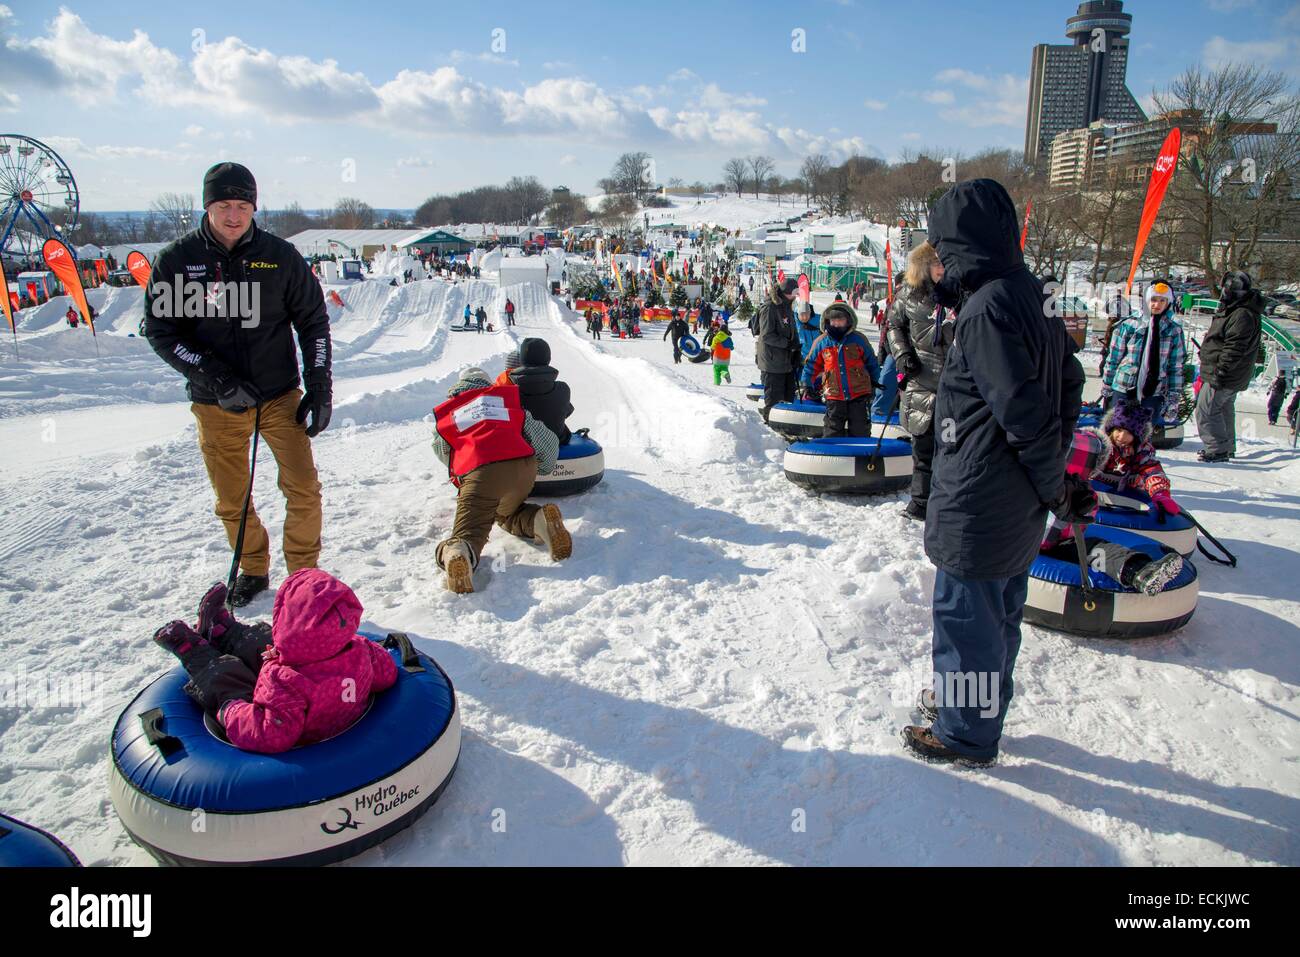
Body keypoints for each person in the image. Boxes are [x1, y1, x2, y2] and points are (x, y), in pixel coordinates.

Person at [902, 179, 1087, 766]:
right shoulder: (1030, 293)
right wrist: (1052, 476)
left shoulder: (985, 310)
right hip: (1012, 502)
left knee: (968, 626)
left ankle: (964, 734)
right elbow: (1069, 383)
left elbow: (1023, 413)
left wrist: (1054, 482)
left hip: (982, 498)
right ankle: (977, 712)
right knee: (998, 616)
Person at [145, 161, 331, 607]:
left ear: (254, 207)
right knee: (233, 499)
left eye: (243, 205)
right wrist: (217, 377)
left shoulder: (280, 256)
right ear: (207, 205)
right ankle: (252, 567)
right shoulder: (177, 260)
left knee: (303, 488)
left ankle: (304, 574)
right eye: (224, 205)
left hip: (279, 393)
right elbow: (161, 332)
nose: (234, 215)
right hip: (216, 402)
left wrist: (320, 384)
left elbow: (313, 322)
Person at [151, 569, 397, 754]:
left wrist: (231, 710)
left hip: (296, 730)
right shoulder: (362, 651)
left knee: (229, 681)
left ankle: (194, 651)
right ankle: (223, 631)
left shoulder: (284, 681)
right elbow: (387, 674)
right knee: (267, 644)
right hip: (314, 688)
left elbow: (269, 733)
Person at [431, 367, 571, 594]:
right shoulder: (505, 403)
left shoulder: (453, 411)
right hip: (523, 468)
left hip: (482, 471)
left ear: (459, 387)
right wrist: (543, 467)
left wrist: (464, 475)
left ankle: (458, 552)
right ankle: (540, 520)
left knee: (471, 530)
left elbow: (442, 450)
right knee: (507, 512)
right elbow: (546, 440)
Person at [1039, 428, 1184, 596]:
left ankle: (1142, 570)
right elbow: (1087, 517)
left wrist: (1160, 492)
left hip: (1044, 542)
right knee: (1095, 551)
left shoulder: (1039, 481)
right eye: (1119, 430)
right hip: (1045, 544)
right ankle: (1138, 570)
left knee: (1094, 551)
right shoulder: (1084, 493)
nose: (1122, 437)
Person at [887, 241, 953, 520]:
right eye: (937, 263)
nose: (942, 269)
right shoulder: (908, 296)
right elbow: (893, 325)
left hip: (954, 384)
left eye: (944, 263)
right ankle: (920, 502)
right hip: (921, 381)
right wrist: (902, 355)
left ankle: (947, 504)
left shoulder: (958, 295)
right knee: (923, 449)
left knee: (951, 451)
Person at [1195, 270, 1264, 462]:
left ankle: (1217, 449)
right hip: (1230, 372)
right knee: (1223, 408)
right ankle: (1226, 447)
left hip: (1225, 373)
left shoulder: (1241, 313)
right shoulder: (1239, 310)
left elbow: (1235, 347)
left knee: (1206, 409)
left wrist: (1221, 370)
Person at [1101, 281, 1186, 425]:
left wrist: (1173, 397)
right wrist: (1107, 384)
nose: (1156, 305)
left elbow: (1176, 366)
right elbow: (1114, 357)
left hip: (1154, 391)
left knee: (1142, 433)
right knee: (1118, 431)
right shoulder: (1129, 325)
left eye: (1162, 300)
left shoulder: (1173, 330)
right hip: (1124, 387)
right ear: (1147, 300)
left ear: (1168, 302)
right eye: (1153, 300)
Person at [799, 302, 879, 437]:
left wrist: (877, 382)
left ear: (848, 321)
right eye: (833, 321)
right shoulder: (822, 342)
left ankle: (860, 456)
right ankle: (832, 454)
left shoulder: (858, 340)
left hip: (858, 394)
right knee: (832, 429)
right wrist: (806, 384)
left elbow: (872, 362)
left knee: (860, 430)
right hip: (834, 395)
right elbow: (811, 365)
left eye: (840, 321)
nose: (836, 324)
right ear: (827, 321)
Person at [495, 338, 573, 444]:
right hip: (556, 441)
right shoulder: (563, 389)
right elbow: (566, 411)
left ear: (522, 361)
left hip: (523, 446)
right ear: (548, 359)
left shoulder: (509, 393)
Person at [755, 277, 802, 423]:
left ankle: (784, 426)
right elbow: (767, 335)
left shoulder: (787, 306)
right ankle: (770, 425)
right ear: (785, 292)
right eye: (793, 293)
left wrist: (795, 347)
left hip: (786, 361)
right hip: (773, 361)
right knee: (774, 397)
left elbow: (790, 330)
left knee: (788, 395)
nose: (795, 297)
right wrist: (787, 344)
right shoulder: (770, 307)